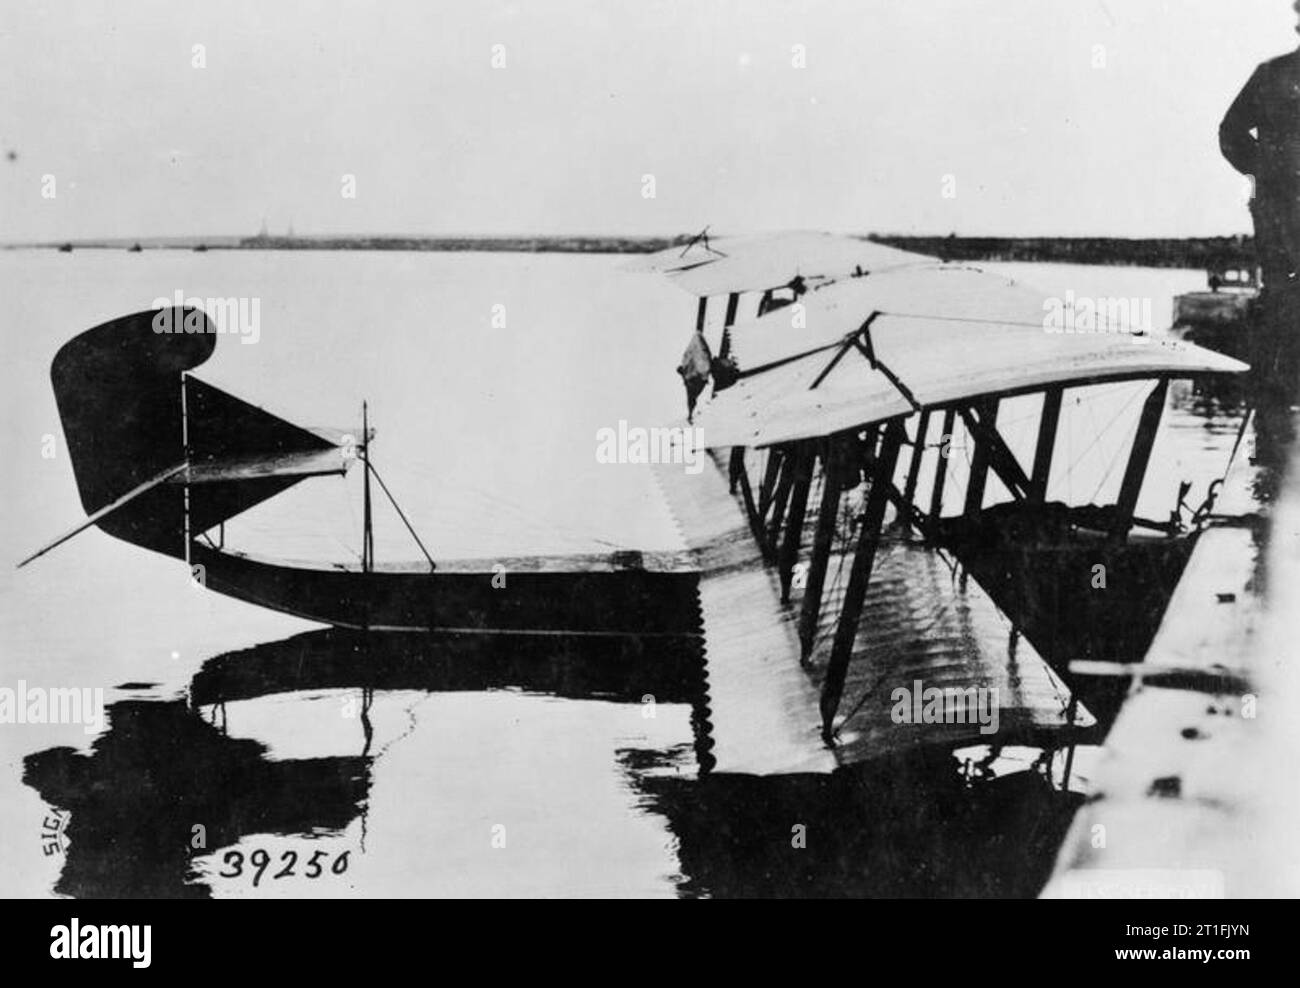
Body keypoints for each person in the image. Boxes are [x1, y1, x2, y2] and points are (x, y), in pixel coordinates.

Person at [1219, 4, 1300, 289]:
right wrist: (1267, 170)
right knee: (1282, 296)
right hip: (1279, 211)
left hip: (1275, 203)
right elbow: (1231, 132)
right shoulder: (1271, 76)